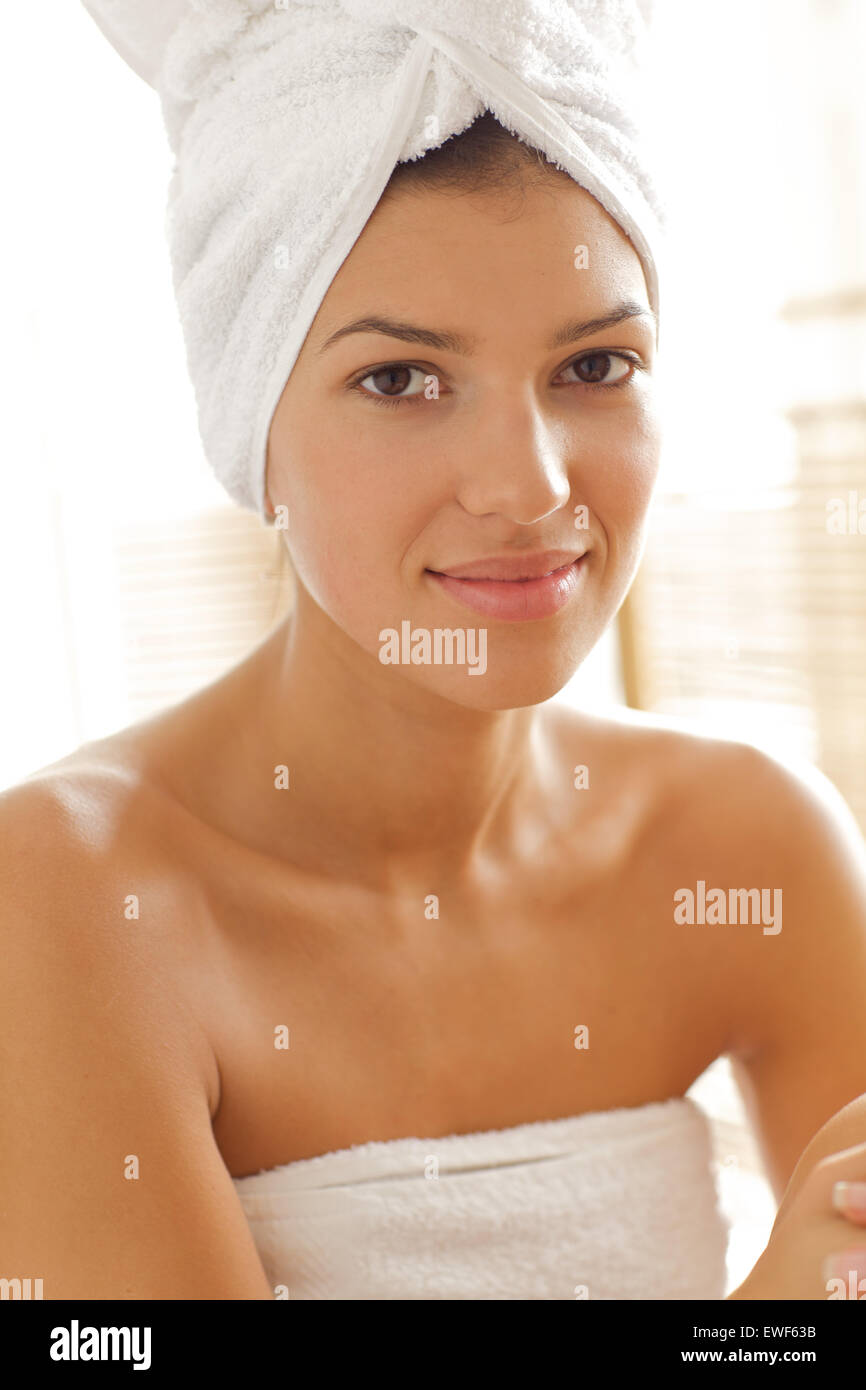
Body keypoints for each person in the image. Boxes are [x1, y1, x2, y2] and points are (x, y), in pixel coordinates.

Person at [3, 98, 866, 1300]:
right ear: (247, 422)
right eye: (401, 377)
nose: (527, 484)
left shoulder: (752, 840)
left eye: (593, 365)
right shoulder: (68, 897)